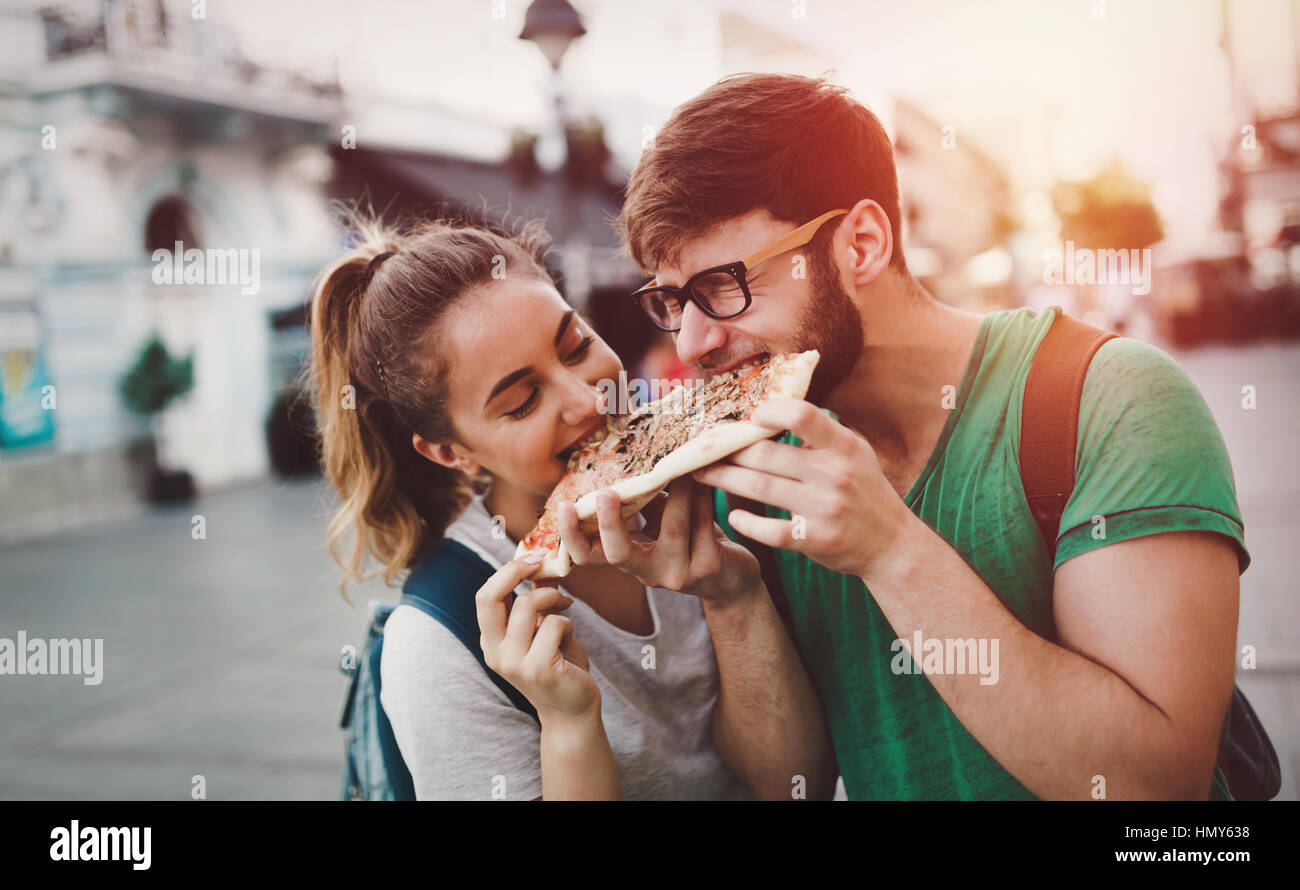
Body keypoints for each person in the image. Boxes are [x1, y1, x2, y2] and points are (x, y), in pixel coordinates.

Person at [589, 72, 1249, 800]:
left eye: (721, 286)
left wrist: (891, 552)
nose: (691, 343)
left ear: (862, 245)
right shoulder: (761, 470)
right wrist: (731, 596)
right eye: (671, 300)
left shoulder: (1112, 399)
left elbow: (1155, 787)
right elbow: (791, 783)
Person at [307, 211, 807, 800]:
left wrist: (734, 597)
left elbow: (795, 787)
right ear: (451, 452)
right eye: (521, 402)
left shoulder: (724, 488)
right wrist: (569, 724)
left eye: (575, 347)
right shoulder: (436, 645)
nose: (587, 398)